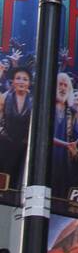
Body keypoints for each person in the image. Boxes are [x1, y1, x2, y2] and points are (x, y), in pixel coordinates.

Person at [0, 63, 33, 191]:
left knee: (16, 182)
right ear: (13, 81)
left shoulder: (34, 102)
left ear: (29, 83)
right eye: (18, 78)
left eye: (25, 79)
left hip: (23, 149)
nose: (21, 81)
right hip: (4, 144)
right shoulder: (4, 98)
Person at [52, 73, 78, 198]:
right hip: (46, 160)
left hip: (63, 163)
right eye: (60, 84)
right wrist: (67, 145)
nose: (63, 88)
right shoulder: (45, 105)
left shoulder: (72, 113)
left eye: (66, 85)